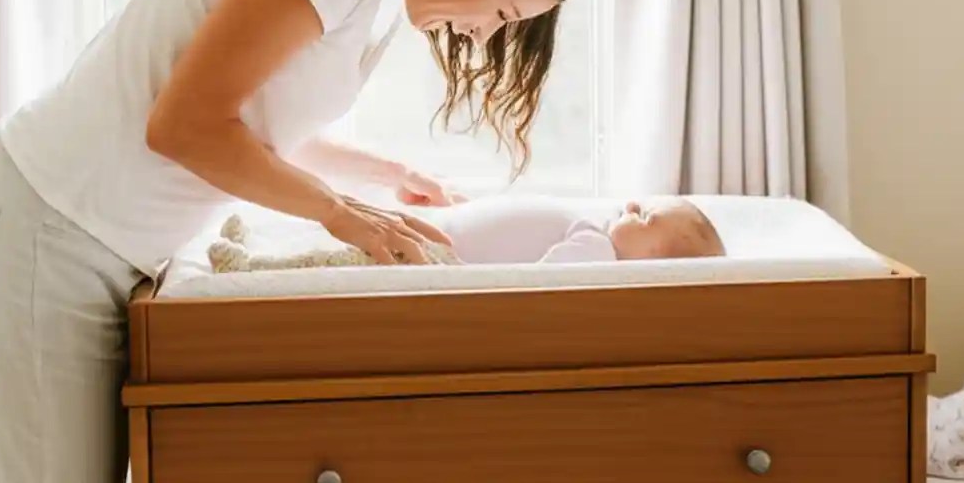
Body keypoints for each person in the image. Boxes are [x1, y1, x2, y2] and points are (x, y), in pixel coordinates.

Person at [0, 0, 584, 483]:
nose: (485, 36)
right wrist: (334, 211)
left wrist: (381, 174)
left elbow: (251, 121)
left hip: (93, 245)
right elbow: (184, 125)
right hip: (41, 231)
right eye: (502, 13)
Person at [208, 196, 726, 272]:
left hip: (438, 259)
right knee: (352, 232)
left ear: (656, 261)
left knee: (346, 261)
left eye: (645, 219)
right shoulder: (595, 231)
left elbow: (541, 285)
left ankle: (255, 264)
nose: (630, 207)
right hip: (439, 238)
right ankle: (263, 239)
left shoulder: (596, 249)